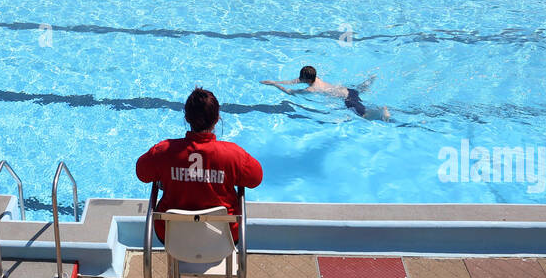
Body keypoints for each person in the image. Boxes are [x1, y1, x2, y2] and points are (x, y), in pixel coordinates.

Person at [136, 87, 263, 243]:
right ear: (217, 119)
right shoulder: (233, 155)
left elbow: (142, 174)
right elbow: (255, 179)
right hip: (225, 235)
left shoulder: (163, 151)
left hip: (171, 234)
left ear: (187, 118)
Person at [261, 65, 390, 121]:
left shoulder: (311, 89)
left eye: (302, 78)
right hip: (348, 90)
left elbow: (289, 92)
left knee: (364, 116)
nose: (299, 80)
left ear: (307, 80)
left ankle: (380, 112)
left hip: (347, 100)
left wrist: (274, 85)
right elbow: (292, 82)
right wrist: (275, 81)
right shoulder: (316, 78)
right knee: (358, 90)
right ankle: (368, 83)